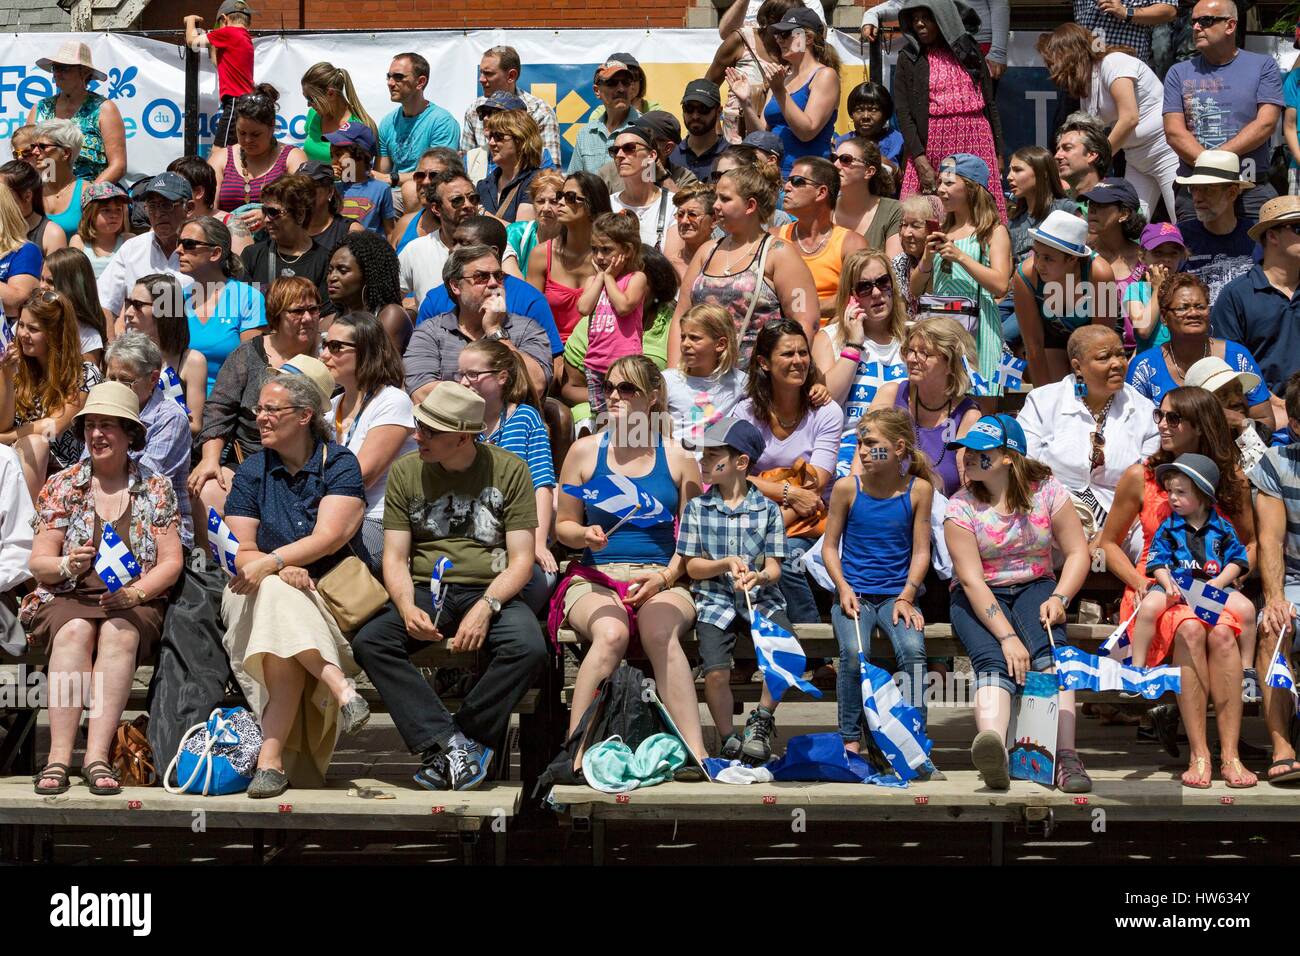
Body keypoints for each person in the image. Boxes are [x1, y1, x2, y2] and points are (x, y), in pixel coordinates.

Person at [352, 382, 548, 791]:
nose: (416, 435)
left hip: (491, 588)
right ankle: (451, 742)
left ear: (463, 436)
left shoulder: (510, 469)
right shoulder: (407, 471)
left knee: (529, 648)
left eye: (429, 431)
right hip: (428, 587)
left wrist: (488, 605)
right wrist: (405, 605)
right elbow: (394, 557)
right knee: (372, 640)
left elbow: (522, 560)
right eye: (418, 425)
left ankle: (461, 742)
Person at [221, 371, 374, 797]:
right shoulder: (253, 470)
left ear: (306, 415)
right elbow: (240, 550)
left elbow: (330, 537)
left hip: (323, 596)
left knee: (277, 607)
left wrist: (275, 562)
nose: (260, 419)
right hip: (251, 592)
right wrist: (278, 569)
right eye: (259, 410)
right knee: (273, 593)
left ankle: (270, 764)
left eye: (272, 410)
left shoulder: (339, 463)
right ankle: (341, 688)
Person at [25, 383, 182, 797]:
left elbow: (171, 562)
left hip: (134, 600)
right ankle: (58, 757)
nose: (96, 434)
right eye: (90, 425)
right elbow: (38, 561)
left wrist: (135, 594)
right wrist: (64, 564)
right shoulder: (63, 484)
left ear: (130, 433)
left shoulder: (156, 487)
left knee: (116, 631)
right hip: (69, 596)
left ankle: (96, 755)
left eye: (107, 426)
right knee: (75, 631)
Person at [1096, 386, 1257, 788]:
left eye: (1174, 418)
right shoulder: (1142, 476)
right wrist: (1142, 583)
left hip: (1209, 584)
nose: (1163, 425)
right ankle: (1200, 754)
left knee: (1222, 633)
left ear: (1200, 427)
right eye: (1160, 416)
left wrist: (1227, 578)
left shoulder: (1225, 479)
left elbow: (1250, 543)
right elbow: (1108, 543)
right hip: (1156, 585)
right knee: (1188, 627)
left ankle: (1231, 755)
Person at [554, 355, 708, 760]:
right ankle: (576, 751)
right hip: (596, 573)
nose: (615, 397)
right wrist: (584, 533)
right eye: (609, 388)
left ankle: (697, 753)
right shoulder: (585, 451)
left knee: (660, 634)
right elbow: (563, 526)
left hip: (662, 574)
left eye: (628, 389)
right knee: (611, 634)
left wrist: (666, 578)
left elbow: (695, 537)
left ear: (654, 397)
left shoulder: (678, 456)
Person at [943, 413, 1093, 792]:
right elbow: (972, 581)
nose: (967, 457)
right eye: (965, 450)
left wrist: (1061, 597)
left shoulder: (1046, 490)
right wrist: (1008, 636)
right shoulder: (959, 507)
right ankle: (994, 749)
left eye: (980, 452)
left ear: (1009, 456)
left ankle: (1066, 756)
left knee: (1053, 655)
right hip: (978, 594)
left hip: (1035, 585)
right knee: (992, 659)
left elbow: (1078, 552)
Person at [823, 408, 938, 771]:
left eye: (872, 444)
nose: (862, 450)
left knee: (913, 651)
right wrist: (842, 587)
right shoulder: (846, 489)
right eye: (859, 443)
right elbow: (829, 548)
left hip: (895, 596)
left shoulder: (919, 490)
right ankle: (851, 742)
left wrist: (908, 595)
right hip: (854, 593)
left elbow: (922, 550)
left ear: (899, 447)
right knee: (856, 654)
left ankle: (913, 740)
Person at [678, 417, 792, 762]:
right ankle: (728, 735)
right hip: (714, 600)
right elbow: (692, 567)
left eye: (714, 456)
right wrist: (724, 563)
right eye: (704, 455)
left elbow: (774, 566)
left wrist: (760, 577)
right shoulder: (698, 507)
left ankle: (761, 719)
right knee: (714, 672)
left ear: (741, 463)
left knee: (783, 655)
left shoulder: (768, 510)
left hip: (761, 599)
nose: (704, 462)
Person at [191, 277, 324, 521]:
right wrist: (210, 459)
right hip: (249, 461)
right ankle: (212, 561)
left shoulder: (329, 355)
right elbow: (220, 408)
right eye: (297, 311)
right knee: (208, 492)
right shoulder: (249, 354)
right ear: (276, 316)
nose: (307, 318)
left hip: (311, 467)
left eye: (313, 309)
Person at [736, 319, 839, 625]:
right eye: (787, 354)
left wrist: (772, 525)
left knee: (784, 557)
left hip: (808, 523)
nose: (798, 361)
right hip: (756, 518)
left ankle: (815, 656)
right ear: (764, 363)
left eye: (803, 353)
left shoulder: (826, 413)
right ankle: (747, 658)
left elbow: (816, 485)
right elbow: (731, 474)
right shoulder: (746, 412)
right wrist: (786, 491)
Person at [669, 165, 819, 370]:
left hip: (757, 384)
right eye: (716, 198)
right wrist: (674, 373)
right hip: (702, 382)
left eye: (725, 199)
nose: (716, 206)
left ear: (750, 205)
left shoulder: (778, 253)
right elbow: (681, 317)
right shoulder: (707, 251)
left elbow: (804, 322)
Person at [1021, 325, 1161, 543]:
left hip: (1123, 520)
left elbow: (1146, 483)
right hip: (1054, 513)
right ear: (1078, 367)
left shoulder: (1144, 411)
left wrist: (1108, 534)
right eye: (1104, 357)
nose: (1117, 363)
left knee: (1153, 543)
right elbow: (1026, 465)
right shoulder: (1043, 402)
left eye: (1121, 355)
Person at [1131, 454, 1255, 696]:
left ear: (1203, 495)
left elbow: (1237, 561)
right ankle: (1137, 670)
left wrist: (1219, 583)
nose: (1172, 498)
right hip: (1175, 584)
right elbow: (1157, 561)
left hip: (1211, 586)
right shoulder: (1168, 527)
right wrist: (1167, 585)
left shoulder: (1222, 527)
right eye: (1169, 491)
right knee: (1147, 608)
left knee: (1248, 610)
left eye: (1181, 492)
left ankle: (1247, 672)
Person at [1039, 24, 1178, 220]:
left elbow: (1129, 118)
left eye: (1052, 61)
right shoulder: (1086, 87)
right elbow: (1089, 138)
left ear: (1068, 54)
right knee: (1129, 225)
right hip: (1136, 159)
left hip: (1165, 152)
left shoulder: (1113, 63)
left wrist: (1096, 160)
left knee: (1181, 219)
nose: (1050, 68)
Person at [1163, 0, 1284, 222]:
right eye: (1194, 21)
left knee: (1259, 256)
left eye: (1206, 21)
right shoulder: (1178, 72)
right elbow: (1174, 132)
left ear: (1230, 26)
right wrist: (1213, 170)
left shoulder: (1263, 66)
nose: (1196, 27)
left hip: (1251, 186)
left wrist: (1213, 163)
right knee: (1194, 255)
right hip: (1195, 190)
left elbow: (1266, 124)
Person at [893, 0, 1004, 221]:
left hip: (976, 139)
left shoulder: (969, 50)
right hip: (931, 144)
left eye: (927, 18)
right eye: (915, 19)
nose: (920, 24)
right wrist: (919, 158)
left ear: (944, 18)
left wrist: (999, 152)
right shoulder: (909, 57)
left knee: (979, 212)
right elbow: (904, 113)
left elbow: (990, 102)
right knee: (920, 217)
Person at [405, 244, 552, 403]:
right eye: (481, 277)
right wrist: (491, 399)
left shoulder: (527, 329)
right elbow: (422, 391)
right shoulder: (430, 332)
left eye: (498, 276)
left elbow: (536, 385)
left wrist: (495, 330)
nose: (493, 283)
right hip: (452, 427)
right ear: (455, 286)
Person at [912, 153, 1012, 388]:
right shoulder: (942, 230)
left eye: (948, 183)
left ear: (971, 187)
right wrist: (926, 260)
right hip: (942, 326)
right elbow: (915, 289)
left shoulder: (993, 232)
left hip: (980, 328)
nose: (940, 190)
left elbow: (1000, 285)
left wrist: (961, 257)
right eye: (939, 183)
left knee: (980, 399)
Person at [321, 310, 415, 556]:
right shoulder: (330, 407)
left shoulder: (392, 400)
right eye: (324, 345)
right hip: (330, 515)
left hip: (379, 520)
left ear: (366, 351)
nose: (324, 355)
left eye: (335, 347)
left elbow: (362, 476)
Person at [0, 289, 101, 502]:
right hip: (15, 461)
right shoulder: (15, 367)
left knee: (37, 443)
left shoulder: (85, 374)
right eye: (22, 325)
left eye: (33, 328)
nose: (22, 334)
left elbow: (54, 426)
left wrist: (6, 437)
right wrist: (7, 378)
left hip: (63, 473)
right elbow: (3, 424)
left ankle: (28, 529)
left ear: (55, 333)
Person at [1249, 372, 1300, 784]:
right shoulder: (1277, 464)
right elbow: (1270, 539)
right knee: (1272, 628)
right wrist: (1276, 598)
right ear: (1296, 426)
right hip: (1296, 577)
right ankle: (1282, 746)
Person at [559, 245, 678, 422]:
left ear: (655, 287)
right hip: (596, 411)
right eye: (619, 279)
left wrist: (637, 403)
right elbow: (570, 387)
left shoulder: (673, 322)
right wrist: (613, 400)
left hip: (654, 412)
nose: (622, 286)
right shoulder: (595, 320)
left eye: (633, 281)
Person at [416, 216, 561, 361]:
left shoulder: (529, 300)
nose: (453, 249)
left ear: (494, 251)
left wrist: (496, 331)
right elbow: (419, 363)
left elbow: (552, 363)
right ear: (454, 287)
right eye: (454, 242)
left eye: (465, 243)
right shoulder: (435, 299)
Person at [815, 249, 909, 472]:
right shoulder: (829, 338)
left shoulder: (913, 337)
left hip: (904, 448)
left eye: (882, 282)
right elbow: (828, 400)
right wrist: (853, 345)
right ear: (851, 296)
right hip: (847, 450)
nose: (876, 293)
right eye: (864, 287)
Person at [98, 333, 195, 548]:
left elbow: (143, 482)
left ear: (153, 379)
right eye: (110, 379)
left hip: (158, 525)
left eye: (125, 381)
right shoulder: (102, 410)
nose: (115, 387)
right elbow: (85, 469)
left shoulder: (171, 418)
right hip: (106, 517)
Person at [1131, 273, 1272, 420]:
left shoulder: (1237, 357)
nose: (1193, 313)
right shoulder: (1144, 367)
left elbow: (1264, 420)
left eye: (1200, 307)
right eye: (1182, 308)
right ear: (1164, 317)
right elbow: (1134, 430)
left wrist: (1238, 427)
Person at [870, 316, 981, 497]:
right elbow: (865, 455)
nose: (913, 359)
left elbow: (968, 485)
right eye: (911, 351)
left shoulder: (968, 416)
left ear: (951, 364)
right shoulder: (890, 395)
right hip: (885, 505)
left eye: (925, 353)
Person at [1211, 195, 1300, 410]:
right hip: (1263, 414)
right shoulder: (1235, 295)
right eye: (1298, 229)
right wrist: (1278, 406)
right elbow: (1230, 368)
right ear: (1272, 236)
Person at [729, 7, 840, 178]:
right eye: (778, 34)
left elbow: (806, 132)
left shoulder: (825, 75)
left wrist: (779, 91)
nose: (779, 39)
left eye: (786, 34)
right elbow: (761, 137)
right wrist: (746, 103)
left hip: (806, 179)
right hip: (772, 177)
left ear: (808, 38)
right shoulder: (783, 78)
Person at [1013, 209, 1116, 387]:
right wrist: (1043, 399)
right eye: (1036, 254)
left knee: (1088, 392)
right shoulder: (1025, 276)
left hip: (1094, 335)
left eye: (1048, 258)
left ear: (1072, 259)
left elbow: (1102, 342)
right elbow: (1033, 345)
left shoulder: (1100, 273)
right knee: (1054, 393)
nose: (1039, 264)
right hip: (1052, 336)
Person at [179, 216, 267, 396]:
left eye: (188, 244)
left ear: (215, 253)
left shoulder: (248, 298)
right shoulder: (175, 298)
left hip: (228, 408)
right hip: (180, 408)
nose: (178, 250)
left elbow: (252, 365)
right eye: (178, 242)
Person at [526, 172, 612, 343]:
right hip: (550, 347)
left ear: (592, 205)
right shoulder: (542, 255)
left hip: (598, 350)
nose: (561, 203)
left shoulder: (610, 257)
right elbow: (530, 318)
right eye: (560, 196)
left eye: (570, 197)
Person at [208, 86, 308, 232]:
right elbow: (208, 210)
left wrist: (271, 214)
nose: (247, 140)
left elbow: (303, 203)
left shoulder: (292, 157)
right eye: (241, 133)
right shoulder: (220, 159)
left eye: (255, 134)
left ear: (271, 128)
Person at [778, 157, 868, 320]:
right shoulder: (774, 238)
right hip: (781, 339)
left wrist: (797, 310)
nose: (787, 187)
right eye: (788, 180)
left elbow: (858, 295)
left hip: (831, 339)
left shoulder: (852, 244)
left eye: (797, 181)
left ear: (821, 192)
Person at [577, 212, 649, 413]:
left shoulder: (636, 278)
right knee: (600, 415)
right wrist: (601, 278)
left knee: (625, 413)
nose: (599, 256)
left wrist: (608, 278)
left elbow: (624, 307)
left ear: (626, 250)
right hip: (595, 363)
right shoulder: (593, 281)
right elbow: (583, 308)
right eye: (595, 250)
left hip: (625, 363)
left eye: (607, 250)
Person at [28, 41, 125, 183]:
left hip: (90, 198)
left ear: (85, 72)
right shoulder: (40, 108)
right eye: (56, 67)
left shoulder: (104, 109)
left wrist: (85, 196)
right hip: (45, 195)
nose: (58, 73)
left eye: (65, 68)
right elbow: (27, 157)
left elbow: (118, 166)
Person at [377, 52, 461, 213]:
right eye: (389, 77)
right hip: (394, 193)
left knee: (408, 191)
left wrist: (391, 179)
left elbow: (439, 174)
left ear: (420, 82)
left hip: (427, 193)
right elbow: (381, 173)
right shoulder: (388, 122)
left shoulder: (441, 121)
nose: (390, 83)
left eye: (398, 77)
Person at [708, 0, 800, 144]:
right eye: (785, 25)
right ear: (770, 19)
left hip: (783, 143)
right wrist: (716, 135)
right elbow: (708, 89)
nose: (789, 32)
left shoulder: (798, 52)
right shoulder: (741, 41)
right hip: (736, 144)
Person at [1173, 151, 1258, 307]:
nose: (1197, 198)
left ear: (1232, 193)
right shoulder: (1177, 237)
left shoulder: (1257, 237)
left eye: (1208, 189)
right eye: (1194, 189)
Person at [124, 273, 205, 434]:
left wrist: (147, 423)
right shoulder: (123, 355)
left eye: (138, 305)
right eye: (128, 303)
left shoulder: (192, 360)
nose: (128, 312)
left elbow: (195, 426)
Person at [862, 0, 1008, 83]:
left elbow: (999, 4)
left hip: (976, 45)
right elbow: (905, 3)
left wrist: (997, 51)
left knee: (980, 109)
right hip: (939, 50)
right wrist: (872, 14)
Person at [664, 303, 747, 448]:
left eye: (694, 338)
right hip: (676, 464)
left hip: (716, 466)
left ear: (720, 344)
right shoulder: (668, 381)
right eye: (683, 337)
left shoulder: (740, 382)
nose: (685, 344)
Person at [461, 46, 562, 165]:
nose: (481, 79)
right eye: (481, 72)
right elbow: (467, 167)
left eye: (488, 73)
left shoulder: (539, 112)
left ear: (511, 76)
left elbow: (549, 174)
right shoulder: (474, 110)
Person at [240, 173, 332, 299]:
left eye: (273, 212)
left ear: (300, 214)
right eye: (265, 212)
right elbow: (242, 307)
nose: (266, 219)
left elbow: (326, 315)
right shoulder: (252, 255)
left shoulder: (324, 261)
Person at [398, 171, 482, 308]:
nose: (468, 205)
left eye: (473, 198)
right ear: (437, 209)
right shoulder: (416, 250)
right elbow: (387, 299)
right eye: (457, 200)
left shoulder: (492, 244)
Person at [183, 1, 255, 148]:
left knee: (219, 151)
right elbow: (218, 63)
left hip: (235, 102)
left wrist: (190, 20)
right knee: (234, 152)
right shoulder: (244, 36)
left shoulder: (228, 33)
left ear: (224, 19)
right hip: (243, 102)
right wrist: (213, 43)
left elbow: (192, 42)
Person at [326, 230, 412, 351]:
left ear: (369, 275)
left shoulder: (391, 316)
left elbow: (379, 367)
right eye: (330, 271)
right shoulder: (328, 321)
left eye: (343, 270)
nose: (332, 277)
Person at [1186, 355, 1273, 473]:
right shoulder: (1192, 444)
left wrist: (1243, 427)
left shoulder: (1258, 432)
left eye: (1239, 390)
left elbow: (1265, 478)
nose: (1237, 400)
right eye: (1223, 395)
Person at [568, 53, 644, 176]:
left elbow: (652, 179)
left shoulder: (645, 128)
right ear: (597, 91)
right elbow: (574, 181)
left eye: (626, 82)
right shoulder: (585, 134)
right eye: (612, 83)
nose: (621, 89)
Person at [167, 155, 253, 258]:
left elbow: (243, 269)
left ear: (199, 192)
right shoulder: (164, 221)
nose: (168, 191)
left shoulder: (230, 225)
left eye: (176, 186)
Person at [832, 137, 903, 257]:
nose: (836, 165)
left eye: (846, 159)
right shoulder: (823, 207)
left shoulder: (893, 211)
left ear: (869, 172)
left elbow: (894, 269)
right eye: (833, 158)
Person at [607, 123, 673, 251]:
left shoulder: (673, 206)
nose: (619, 155)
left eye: (629, 148)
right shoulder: (607, 205)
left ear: (652, 155)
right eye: (615, 150)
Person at [1006, 146, 1076, 267]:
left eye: (1017, 170)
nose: (1009, 177)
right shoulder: (1013, 222)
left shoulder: (1065, 209)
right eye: (1010, 170)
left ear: (1042, 173)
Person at [1081, 177, 1145, 309]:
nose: (1091, 210)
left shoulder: (1146, 260)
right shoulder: (1079, 255)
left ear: (1124, 214)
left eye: (1101, 204)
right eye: (1090, 203)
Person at [1125, 222, 1189, 352]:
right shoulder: (1135, 290)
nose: (1166, 259)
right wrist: (1158, 289)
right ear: (1142, 257)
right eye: (1158, 253)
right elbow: (1143, 330)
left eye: (1173, 254)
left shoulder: (1187, 289)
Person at [300, 61, 378, 165]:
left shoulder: (359, 128)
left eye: (311, 99)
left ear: (331, 93)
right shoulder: (313, 114)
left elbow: (356, 175)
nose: (308, 105)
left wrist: (327, 173)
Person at [388, 150, 462, 255]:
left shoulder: (467, 228)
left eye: (434, 175)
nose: (425, 182)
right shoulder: (405, 224)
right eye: (420, 176)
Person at [40, 248, 108, 362]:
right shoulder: (32, 316)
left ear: (73, 288)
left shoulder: (88, 336)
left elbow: (88, 378)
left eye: (50, 282)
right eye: (41, 279)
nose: (42, 286)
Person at [327, 122, 395, 235]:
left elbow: (390, 232)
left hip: (370, 249)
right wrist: (328, 182)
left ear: (360, 155)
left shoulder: (382, 189)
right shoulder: (331, 189)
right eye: (332, 155)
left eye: (338, 155)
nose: (333, 161)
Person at [477, 109, 543, 223]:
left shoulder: (538, 182)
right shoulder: (483, 185)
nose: (491, 143)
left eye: (498, 136)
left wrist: (481, 213)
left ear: (520, 140)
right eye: (490, 136)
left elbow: (521, 236)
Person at [28, 119, 85, 243]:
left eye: (43, 146)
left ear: (65, 153)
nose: (34, 152)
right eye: (33, 146)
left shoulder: (87, 193)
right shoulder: (29, 191)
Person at [66, 180, 131, 281]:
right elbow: (72, 280)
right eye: (106, 210)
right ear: (89, 215)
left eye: (118, 209)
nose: (114, 215)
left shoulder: (129, 240)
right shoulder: (79, 242)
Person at [841, 81, 905, 183]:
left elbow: (906, 180)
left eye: (873, 110)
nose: (866, 116)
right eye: (859, 110)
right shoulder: (842, 143)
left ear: (886, 114)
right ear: (851, 114)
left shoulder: (899, 141)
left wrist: (887, 164)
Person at [1073, 0, 1176, 63]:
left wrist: (1125, 12)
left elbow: (1169, 11)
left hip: (1124, 65)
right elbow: (1080, 17)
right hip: (1086, 64)